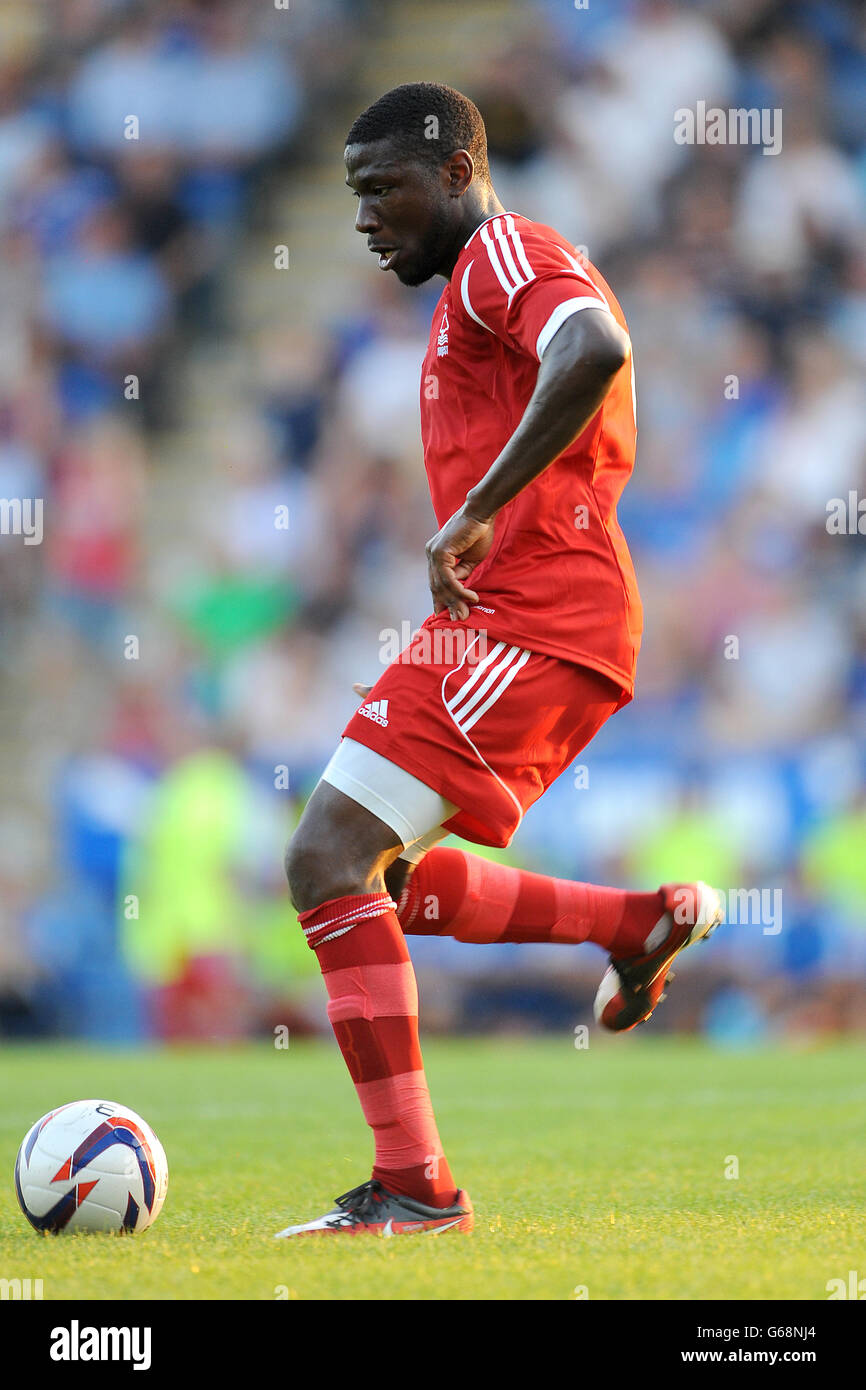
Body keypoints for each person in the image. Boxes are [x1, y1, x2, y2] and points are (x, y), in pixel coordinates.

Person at [277, 83, 721, 1238]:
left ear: (460, 169)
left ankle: (414, 1187)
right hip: (522, 616)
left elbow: (595, 345)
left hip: (539, 613)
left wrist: (478, 505)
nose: (367, 218)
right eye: (353, 197)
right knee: (370, 879)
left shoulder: (502, 255)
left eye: (385, 190)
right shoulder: (470, 288)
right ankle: (632, 922)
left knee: (327, 855)